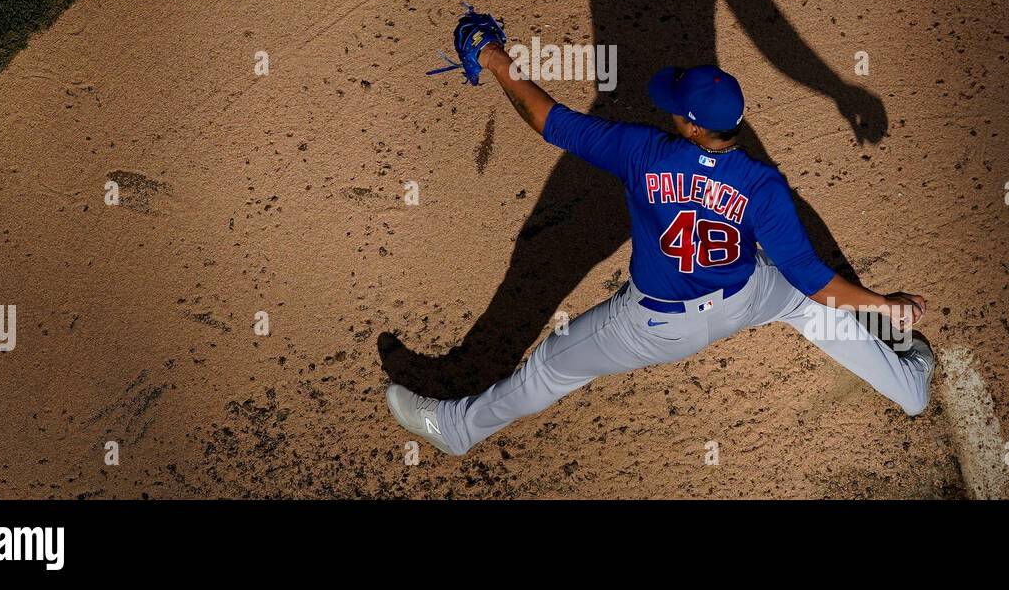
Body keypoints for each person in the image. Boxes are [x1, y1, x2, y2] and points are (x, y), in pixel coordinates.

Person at [386, 31, 935, 457]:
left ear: (695, 129)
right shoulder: (762, 183)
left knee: (552, 368)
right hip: (745, 298)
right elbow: (813, 278)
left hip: (655, 326)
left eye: (678, 108)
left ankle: (457, 429)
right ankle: (910, 386)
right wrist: (885, 305)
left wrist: (492, 57)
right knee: (803, 301)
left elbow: (546, 119)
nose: (668, 109)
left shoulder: (642, 151)